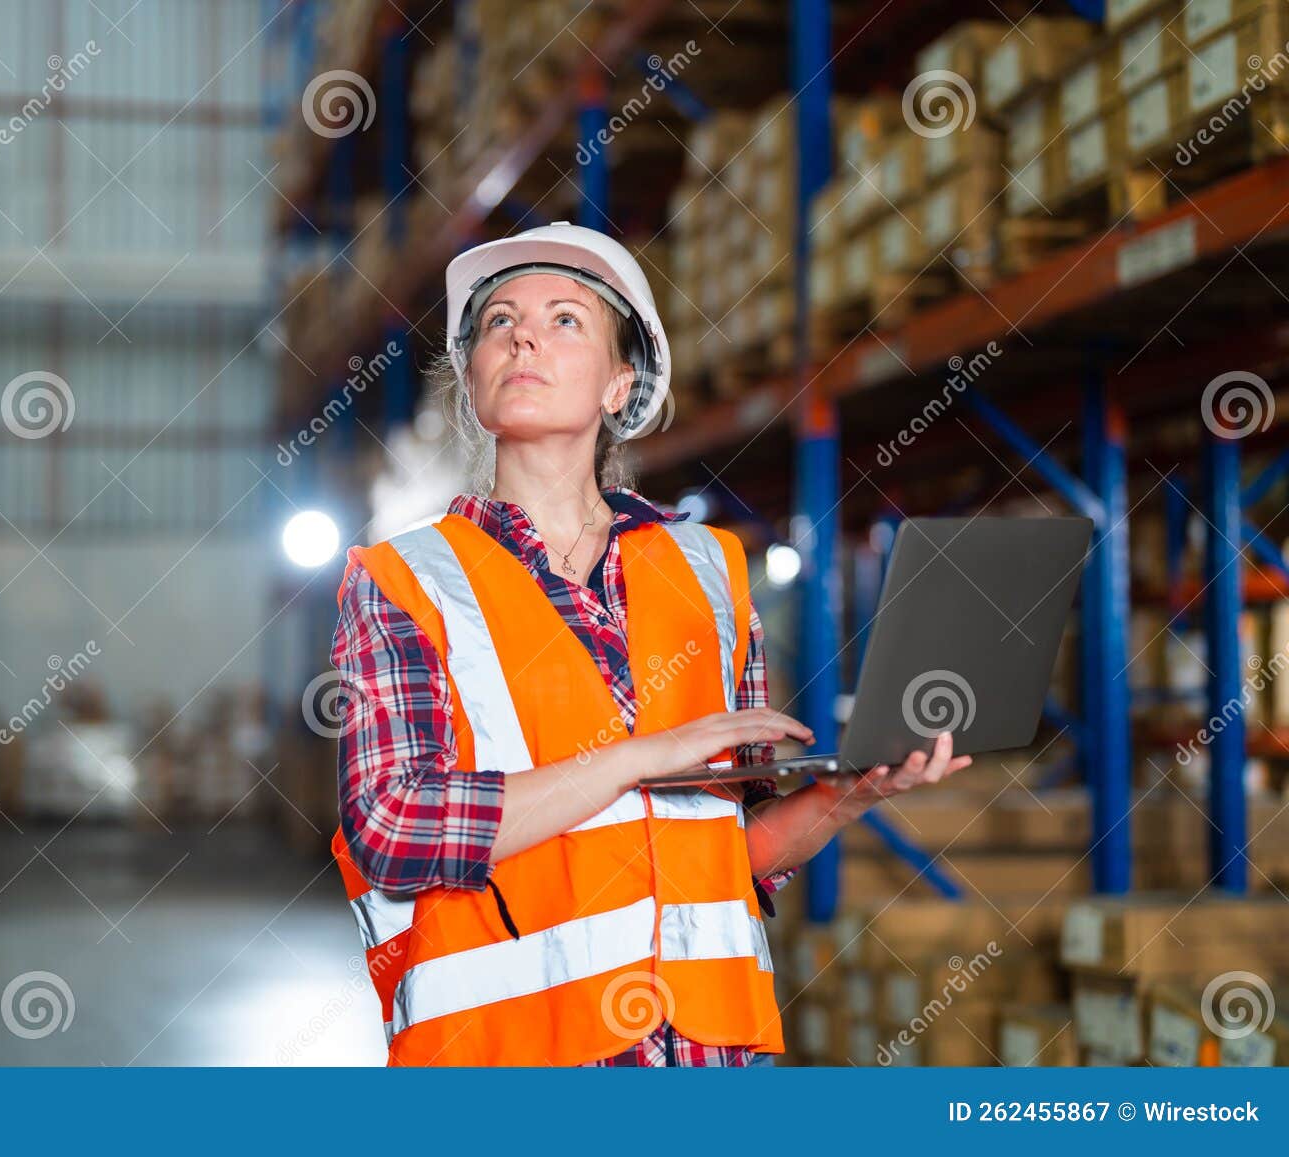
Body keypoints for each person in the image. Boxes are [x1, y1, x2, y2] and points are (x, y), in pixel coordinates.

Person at [328, 222, 970, 1067]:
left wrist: (846, 798)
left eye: (564, 319)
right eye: (498, 322)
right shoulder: (406, 579)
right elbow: (393, 828)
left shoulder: (708, 570)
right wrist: (640, 756)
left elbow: (728, 852)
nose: (522, 336)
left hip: (702, 1060)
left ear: (618, 384)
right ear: (474, 378)